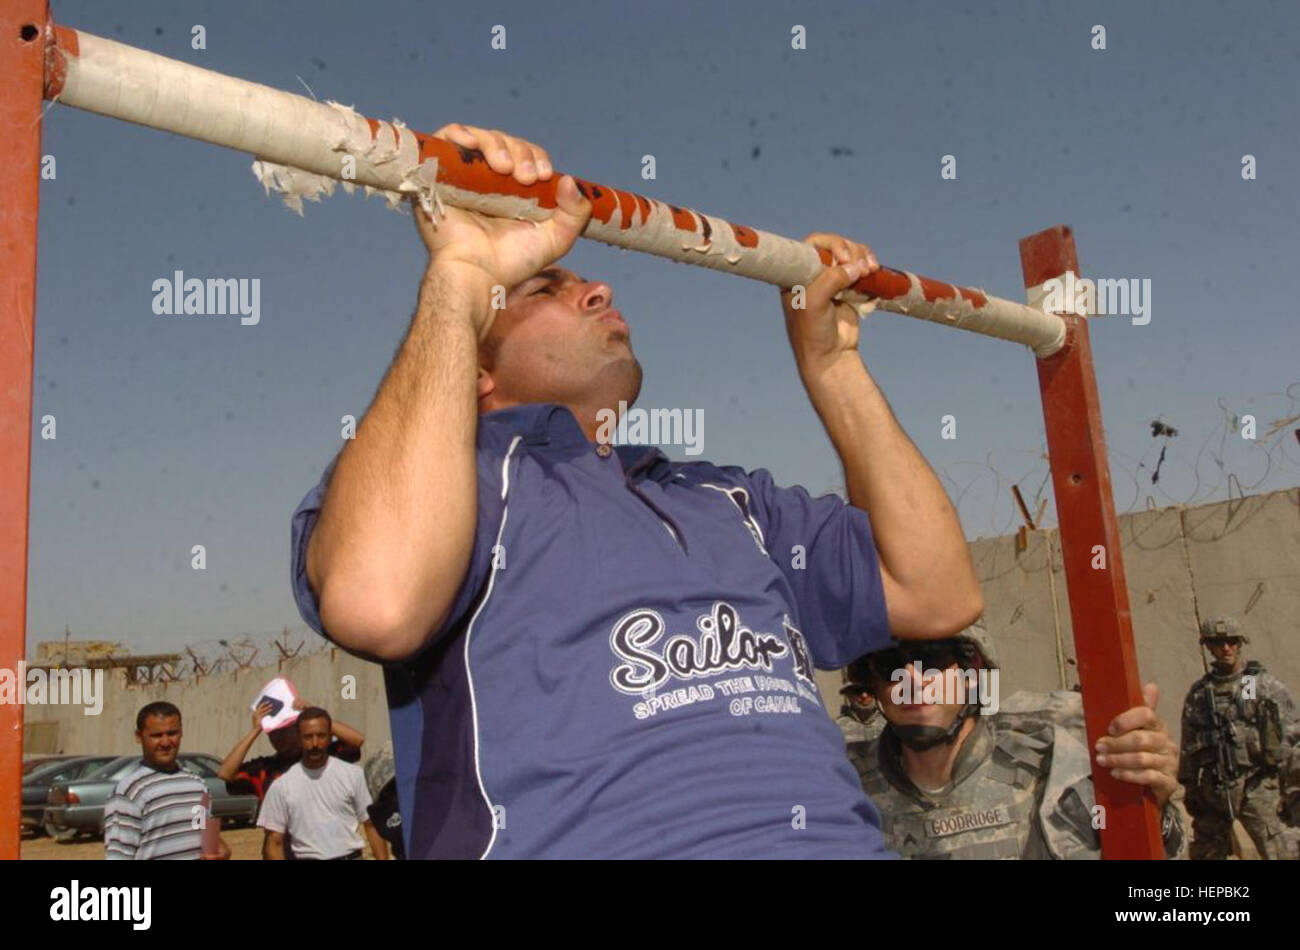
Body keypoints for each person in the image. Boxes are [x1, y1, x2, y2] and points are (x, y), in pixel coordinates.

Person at [290, 124, 984, 858]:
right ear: (476, 368)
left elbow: (937, 592)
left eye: (581, 277)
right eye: (542, 284)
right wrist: (460, 274)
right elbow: (377, 602)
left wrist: (834, 367)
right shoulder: (452, 485)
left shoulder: (723, 499)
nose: (599, 287)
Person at [844, 623, 1186, 859]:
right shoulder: (842, 792)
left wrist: (1149, 813)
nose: (913, 680)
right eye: (891, 666)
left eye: (931, 659)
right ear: (873, 684)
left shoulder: (1050, 770)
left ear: (971, 669)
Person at [1178, 616, 1300, 860]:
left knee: (1283, 852)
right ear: (1208, 646)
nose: (1226, 648)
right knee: (1206, 854)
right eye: (1218, 642)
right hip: (1215, 790)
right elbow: (1188, 743)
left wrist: (1293, 784)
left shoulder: (1258, 684)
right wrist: (1190, 786)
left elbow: (1292, 734)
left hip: (1258, 786)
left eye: (1231, 642)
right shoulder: (1200, 694)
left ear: (1240, 644)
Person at [104, 701, 231, 860]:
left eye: (172, 733)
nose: (165, 742)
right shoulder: (129, 792)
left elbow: (202, 833)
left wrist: (221, 847)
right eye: (156, 735)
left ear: (181, 732)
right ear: (139, 737)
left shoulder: (197, 785)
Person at [257, 707, 388, 860]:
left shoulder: (353, 775)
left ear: (331, 736)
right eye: (308, 737)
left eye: (321, 736)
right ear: (299, 738)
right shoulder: (281, 786)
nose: (315, 743)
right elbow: (274, 842)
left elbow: (371, 825)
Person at [218, 693, 365, 801]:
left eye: (283, 732)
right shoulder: (265, 770)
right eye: (272, 733)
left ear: (297, 731)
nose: (277, 738)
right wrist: (256, 730)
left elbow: (357, 740)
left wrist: (314, 714)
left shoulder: (322, 756)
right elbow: (225, 773)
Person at [836, 671, 885, 744]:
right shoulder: (836, 728)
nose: (864, 696)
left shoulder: (891, 724)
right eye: (858, 691)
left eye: (869, 690)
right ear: (848, 694)